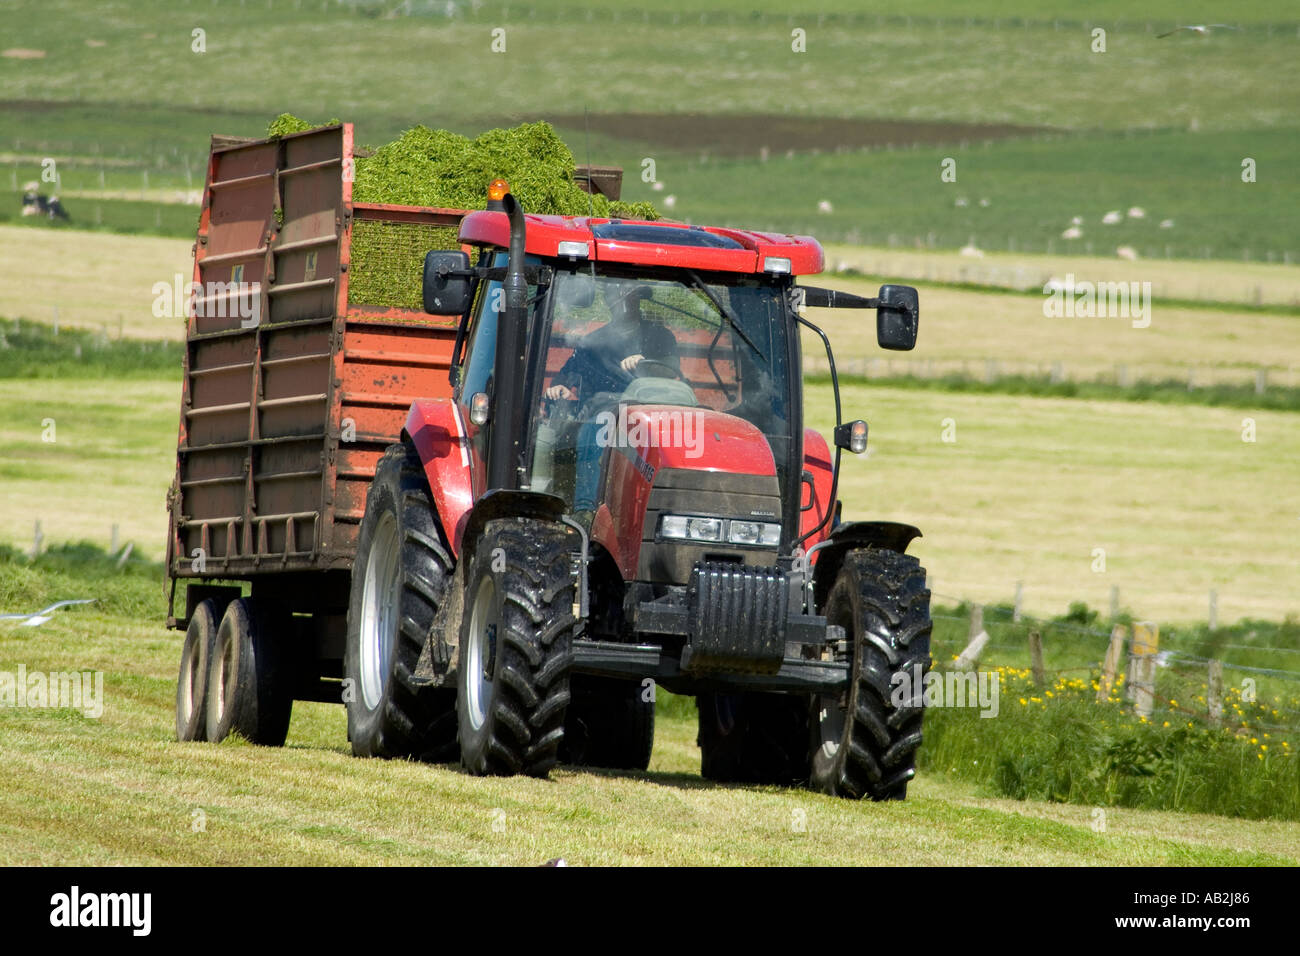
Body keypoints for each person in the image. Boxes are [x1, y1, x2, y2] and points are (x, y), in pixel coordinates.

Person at [544, 284, 682, 519]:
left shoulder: (661, 337)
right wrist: (559, 388)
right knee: (598, 426)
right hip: (605, 414)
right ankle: (586, 510)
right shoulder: (592, 343)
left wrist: (647, 362)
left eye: (626, 294)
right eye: (613, 295)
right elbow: (565, 379)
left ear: (638, 297)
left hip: (654, 411)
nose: (619, 300)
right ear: (607, 300)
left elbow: (673, 373)